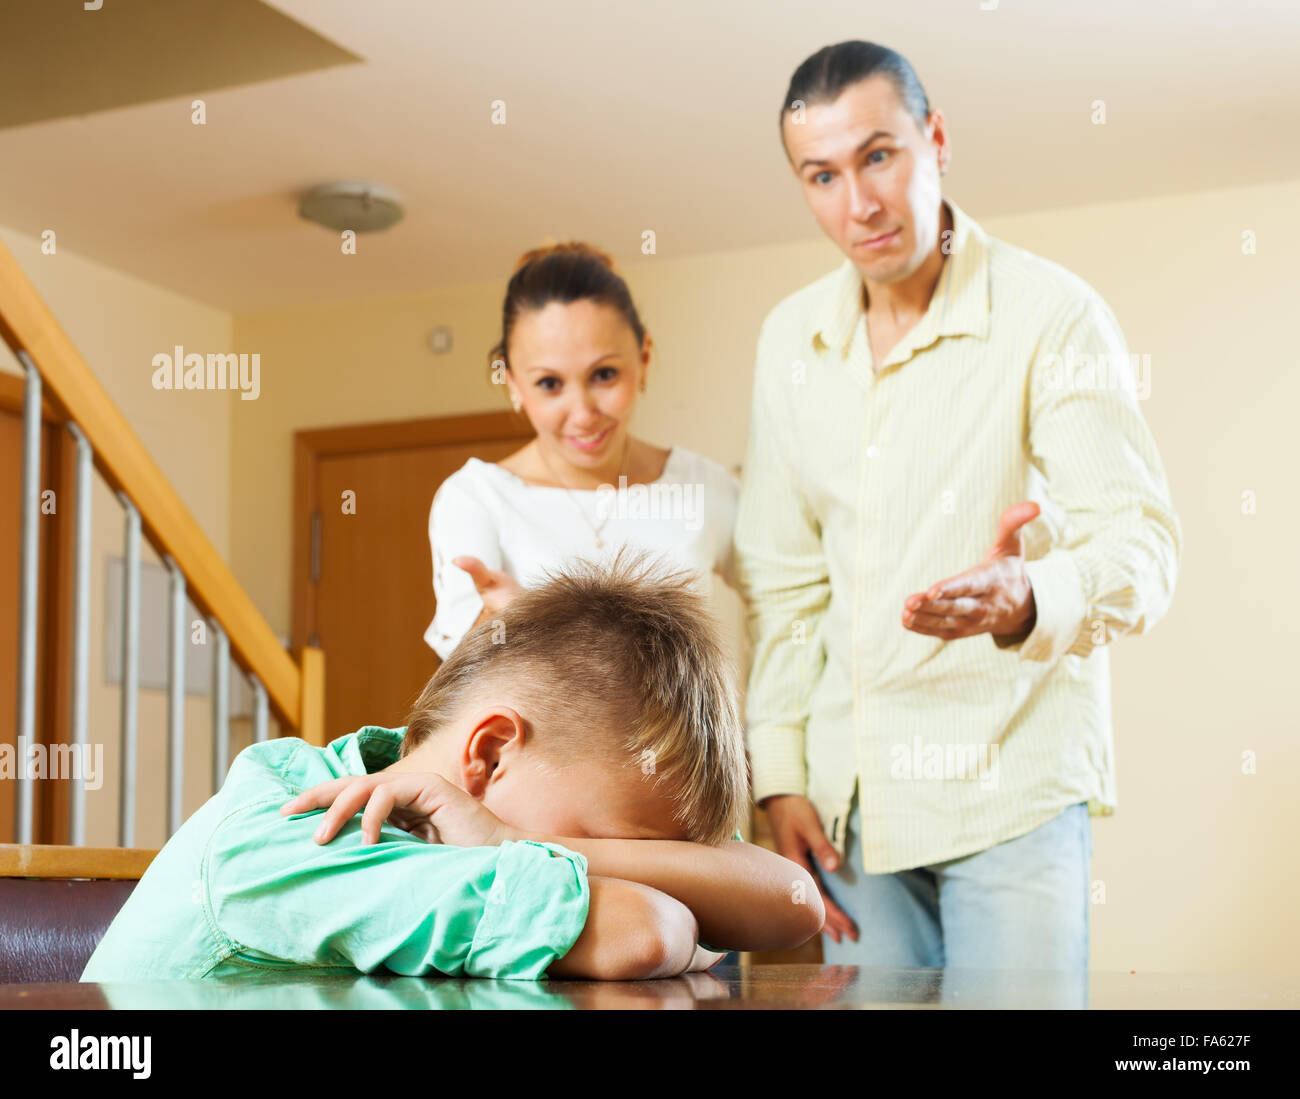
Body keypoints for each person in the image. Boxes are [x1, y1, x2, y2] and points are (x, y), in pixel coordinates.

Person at [733, 41, 1182, 971]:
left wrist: (1030, 596)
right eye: (822, 174)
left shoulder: (1053, 314)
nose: (858, 203)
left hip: (1011, 789)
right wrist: (778, 778)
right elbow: (784, 587)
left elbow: (1140, 545)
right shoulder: (789, 341)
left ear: (934, 138)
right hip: (849, 807)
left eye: (879, 156)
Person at [81, 550, 823, 982]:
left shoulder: (444, 820)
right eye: (633, 844)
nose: (631, 866)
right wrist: (503, 843)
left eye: (649, 855)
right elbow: (649, 930)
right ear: (491, 752)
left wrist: (506, 836)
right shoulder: (305, 833)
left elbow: (792, 902)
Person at [423, 241, 740, 663]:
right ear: (512, 382)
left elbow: (790, 601)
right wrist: (508, 624)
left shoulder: (706, 487)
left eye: (604, 374)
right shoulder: (476, 498)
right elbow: (463, 678)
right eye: (550, 384)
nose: (584, 413)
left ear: (644, 359)